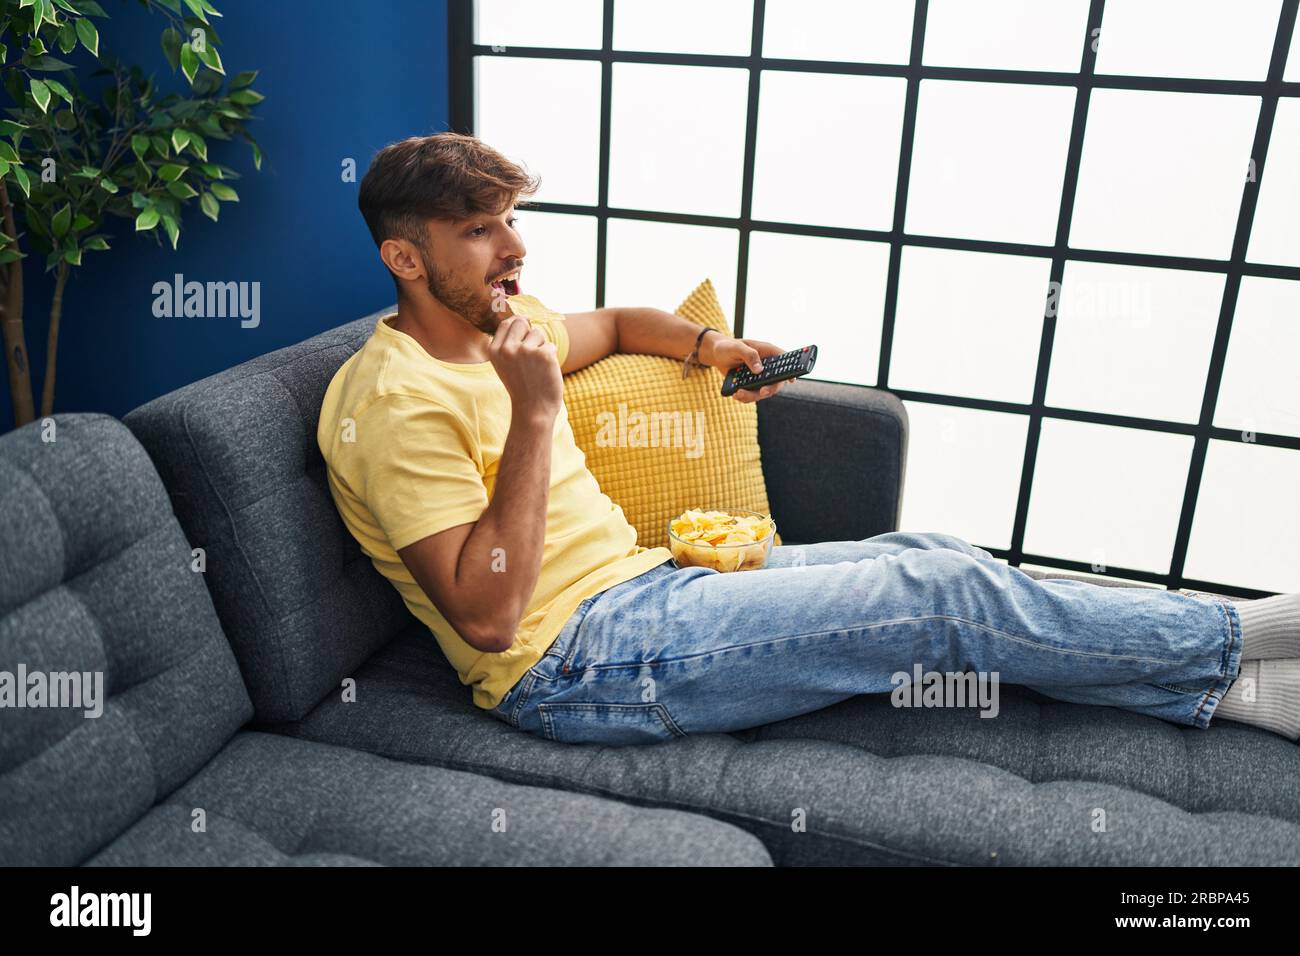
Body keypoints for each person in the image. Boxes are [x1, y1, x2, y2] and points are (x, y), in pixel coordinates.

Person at [318, 132, 1300, 747]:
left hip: (647, 586)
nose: (516, 247)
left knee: (927, 554)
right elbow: (488, 619)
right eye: (481, 231)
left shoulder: (510, 323)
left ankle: (1230, 695)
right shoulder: (390, 404)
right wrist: (535, 413)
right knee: (941, 595)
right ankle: (1236, 639)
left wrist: (709, 345)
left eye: (511, 220)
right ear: (405, 257)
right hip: (576, 665)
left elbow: (615, 324)